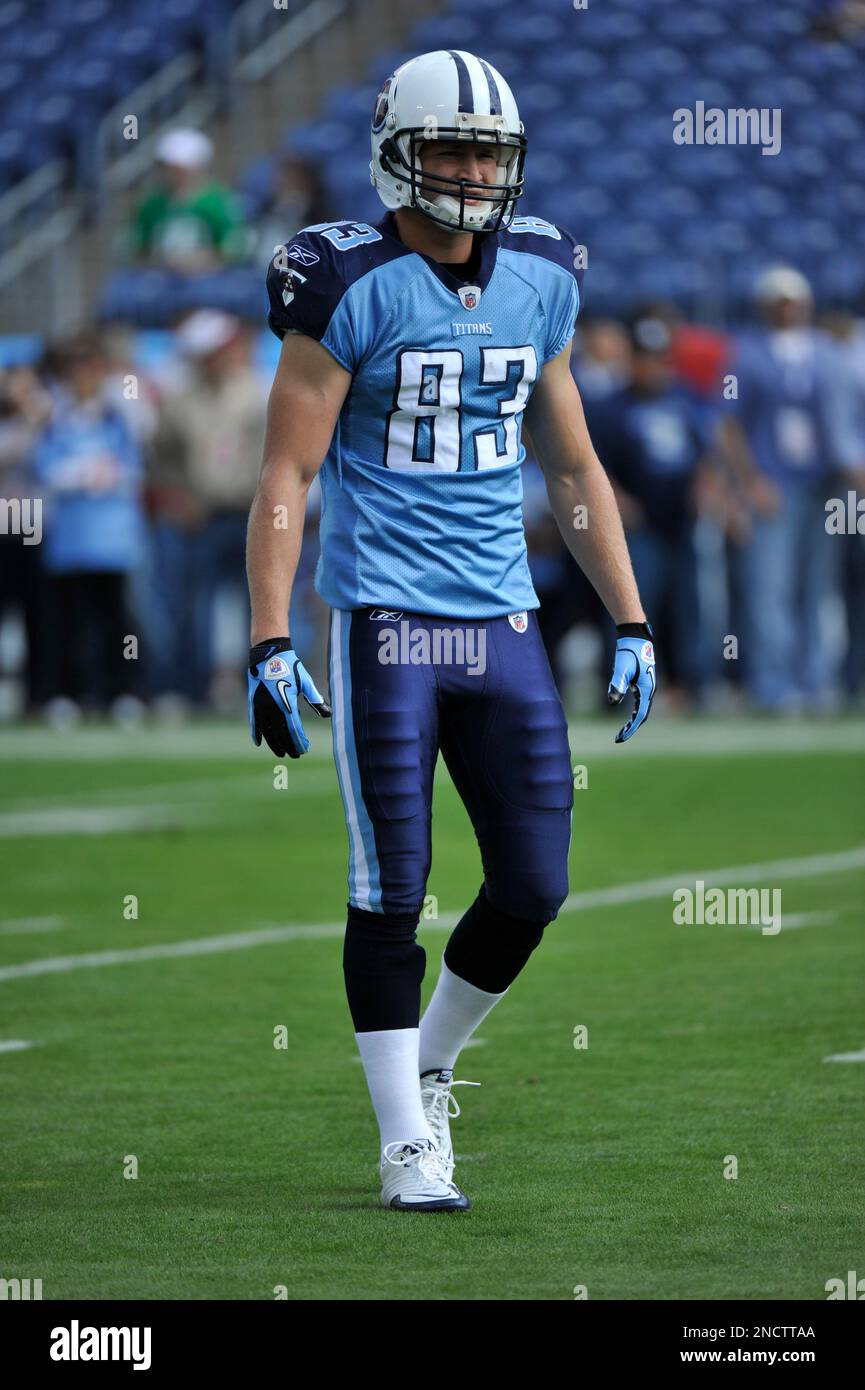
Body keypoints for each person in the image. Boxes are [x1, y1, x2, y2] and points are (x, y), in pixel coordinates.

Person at [245, 51, 656, 1213]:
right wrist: (272, 637)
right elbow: (287, 470)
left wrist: (628, 613)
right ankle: (402, 1143)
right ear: (395, 155)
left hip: (504, 623)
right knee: (392, 885)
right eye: (450, 152)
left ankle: (430, 1061)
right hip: (385, 621)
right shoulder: (341, 279)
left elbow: (570, 460)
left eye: (490, 153)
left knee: (533, 885)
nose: (474, 174)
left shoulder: (540, 276)